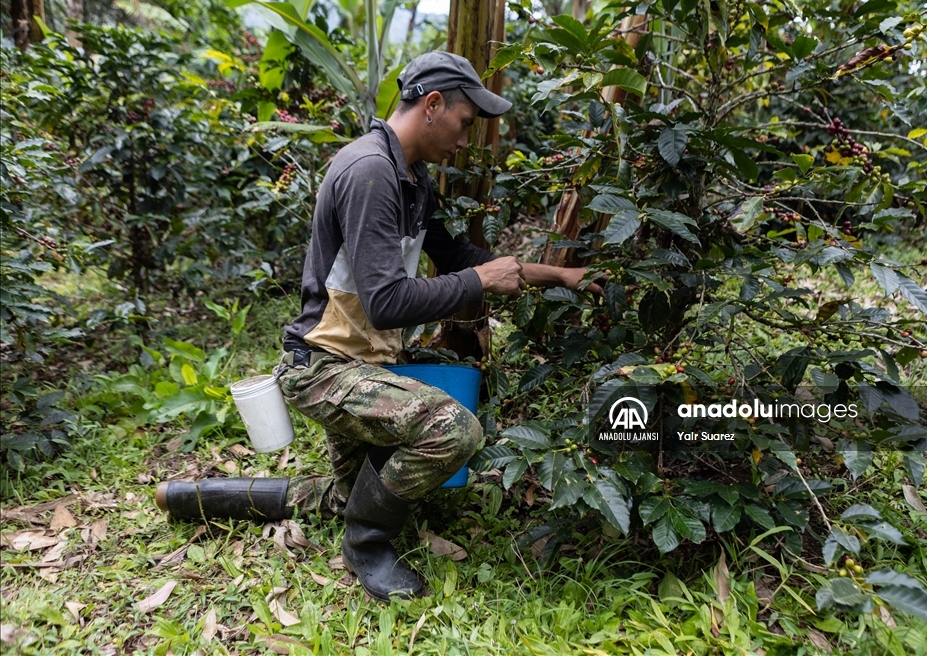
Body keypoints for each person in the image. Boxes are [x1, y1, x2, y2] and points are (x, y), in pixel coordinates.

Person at [155, 51, 600, 603]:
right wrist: (480, 282)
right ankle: (365, 543)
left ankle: (193, 497)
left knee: (348, 494)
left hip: (365, 365)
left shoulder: (412, 178)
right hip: (322, 369)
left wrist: (560, 275)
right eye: (464, 123)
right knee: (454, 430)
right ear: (432, 105)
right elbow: (388, 303)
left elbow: (461, 258)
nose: (465, 140)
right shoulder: (369, 172)